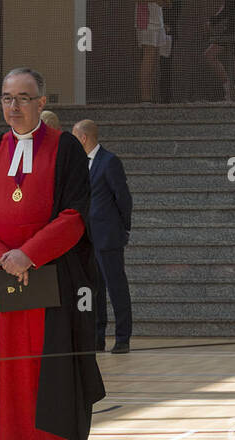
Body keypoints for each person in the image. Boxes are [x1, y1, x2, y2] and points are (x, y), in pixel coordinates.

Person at [0, 68, 105, 440]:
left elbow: (75, 215)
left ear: (42, 102)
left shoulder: (66, 151)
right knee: (4, 379)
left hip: (53, 284)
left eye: (24, 98)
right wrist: (1, 258)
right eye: (7, 98)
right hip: (1, 282)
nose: (14, 107)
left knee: (54, 378)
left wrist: (30, 254)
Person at [73, 119, 134, 353]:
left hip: (108, 237)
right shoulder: (80, 164)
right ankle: (97, 337)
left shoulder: (109, 162)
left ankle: (122, 337)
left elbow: (123, 198)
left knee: (116, 287)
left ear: (84, 138)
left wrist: (123, 228)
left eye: (75, 137)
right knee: (94, 290)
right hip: (87, 238)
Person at [136, 1, 173, 104]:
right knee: (148, 55)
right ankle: (145, 98)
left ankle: (149, 96)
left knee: (153, 59)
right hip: (147, 21)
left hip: (157, 21)